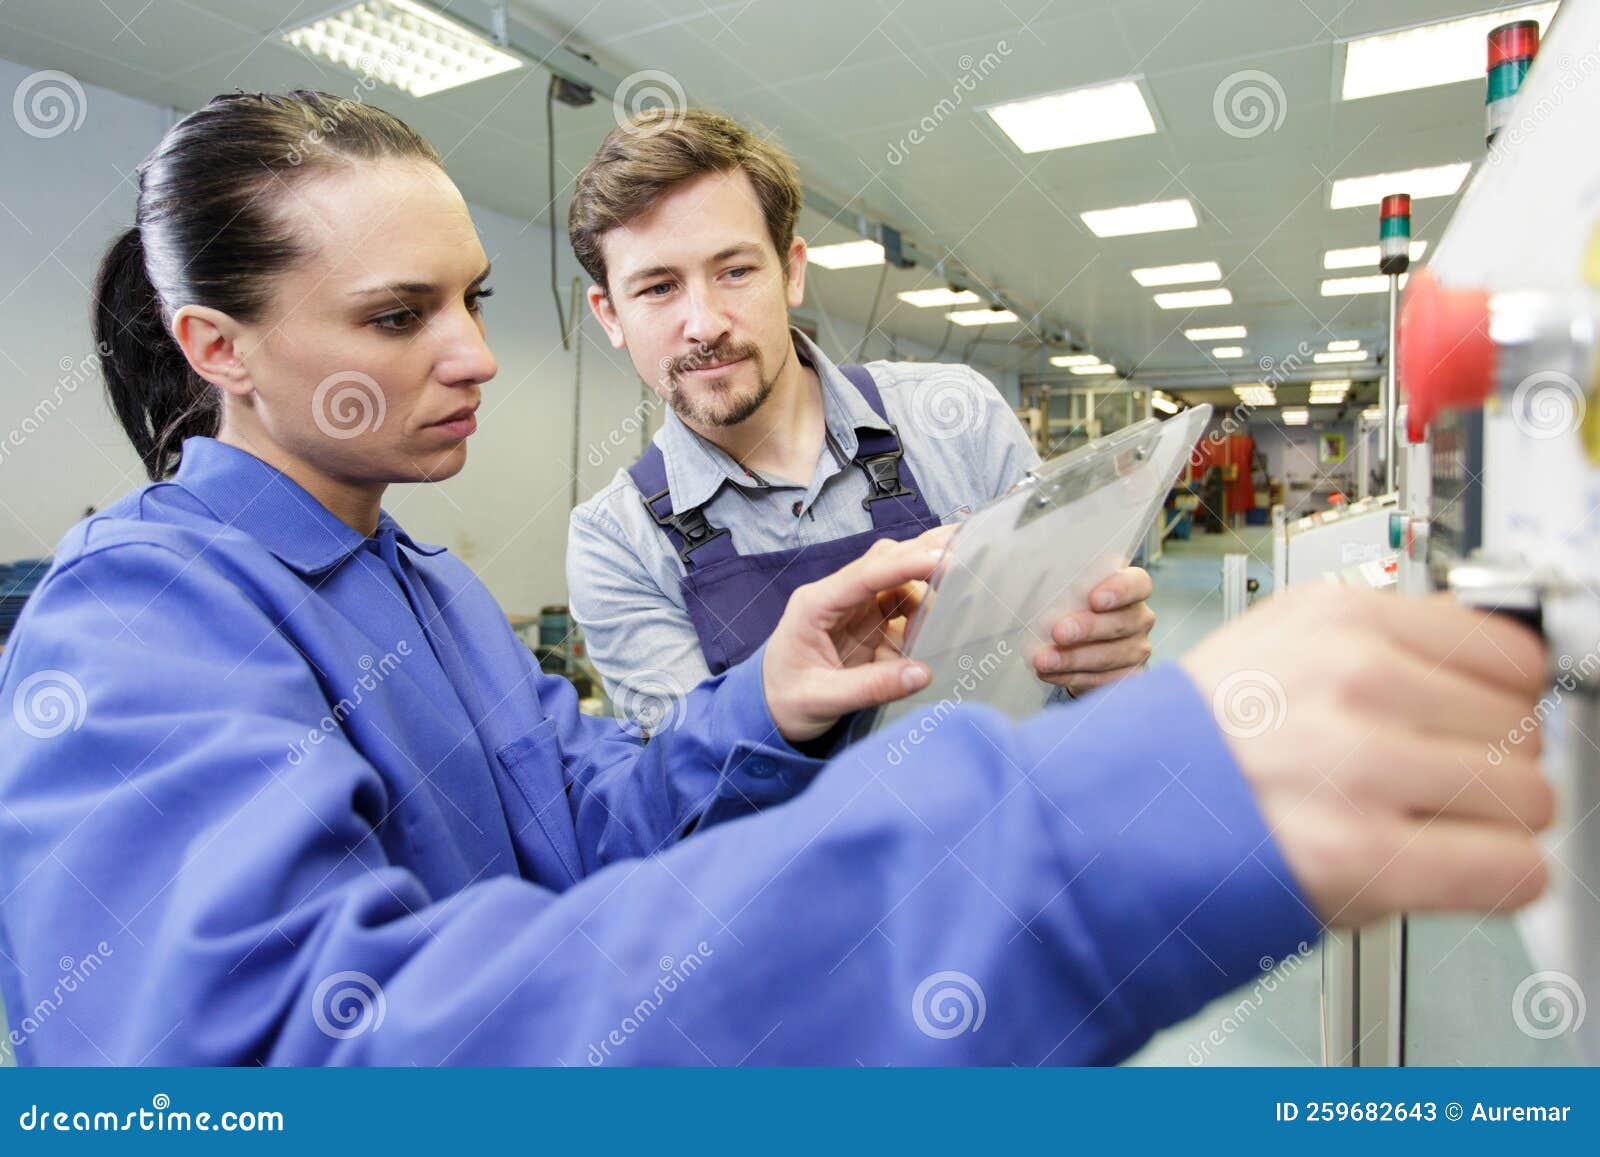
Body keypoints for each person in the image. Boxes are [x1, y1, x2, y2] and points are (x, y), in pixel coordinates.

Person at [0, 92, 1554, 1068]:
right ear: (218, 348)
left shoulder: (421, 585)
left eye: (474, 298)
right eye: (402, 317)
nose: (475, 355)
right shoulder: (142, 617)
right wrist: (1069, 848)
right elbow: (282, 1067)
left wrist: (773, 699)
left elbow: (586, 833)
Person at [566, 108, 1156, 723]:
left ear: (791, 272)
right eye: (658, 288)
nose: (705, 325)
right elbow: (696, 769)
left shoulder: (958, 419)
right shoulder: (618, 543)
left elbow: (1064, 687)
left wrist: (1095, 670)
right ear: (610, 315)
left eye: (735, 271)